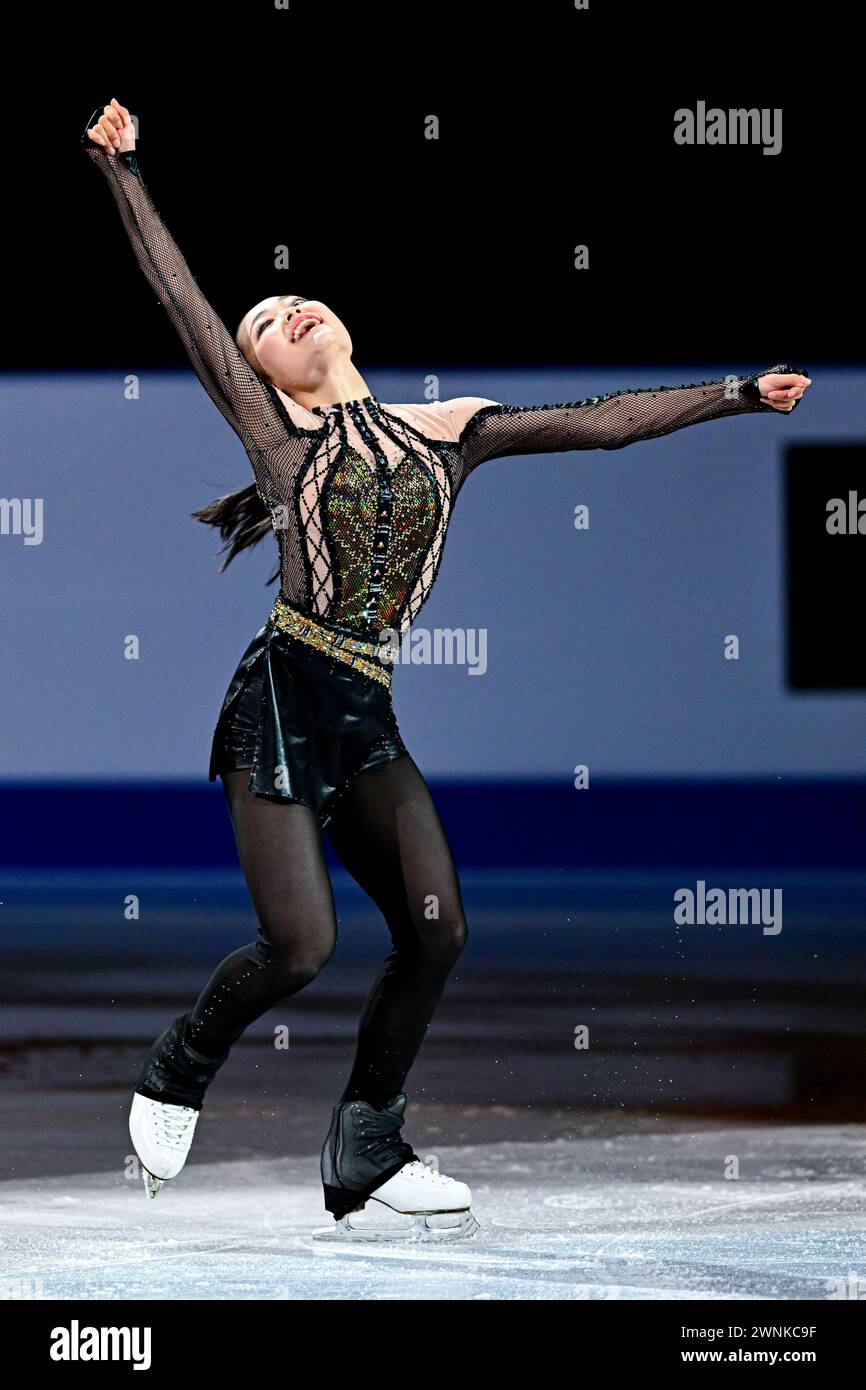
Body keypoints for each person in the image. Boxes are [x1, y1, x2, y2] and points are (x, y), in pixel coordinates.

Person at [83, 98, 810, 1241]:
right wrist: (122, 170)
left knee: (436, 929)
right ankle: (178, 1066)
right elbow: (180, 298)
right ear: (263, 374)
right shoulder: (279, 442)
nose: (288, 309)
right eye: (267, 320)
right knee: (303, 945)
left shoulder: (451, 431)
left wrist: (731, 394)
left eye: (293, 298)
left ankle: (368, 1139)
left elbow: (603, 422)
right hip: (280, 700)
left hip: (364, 709)